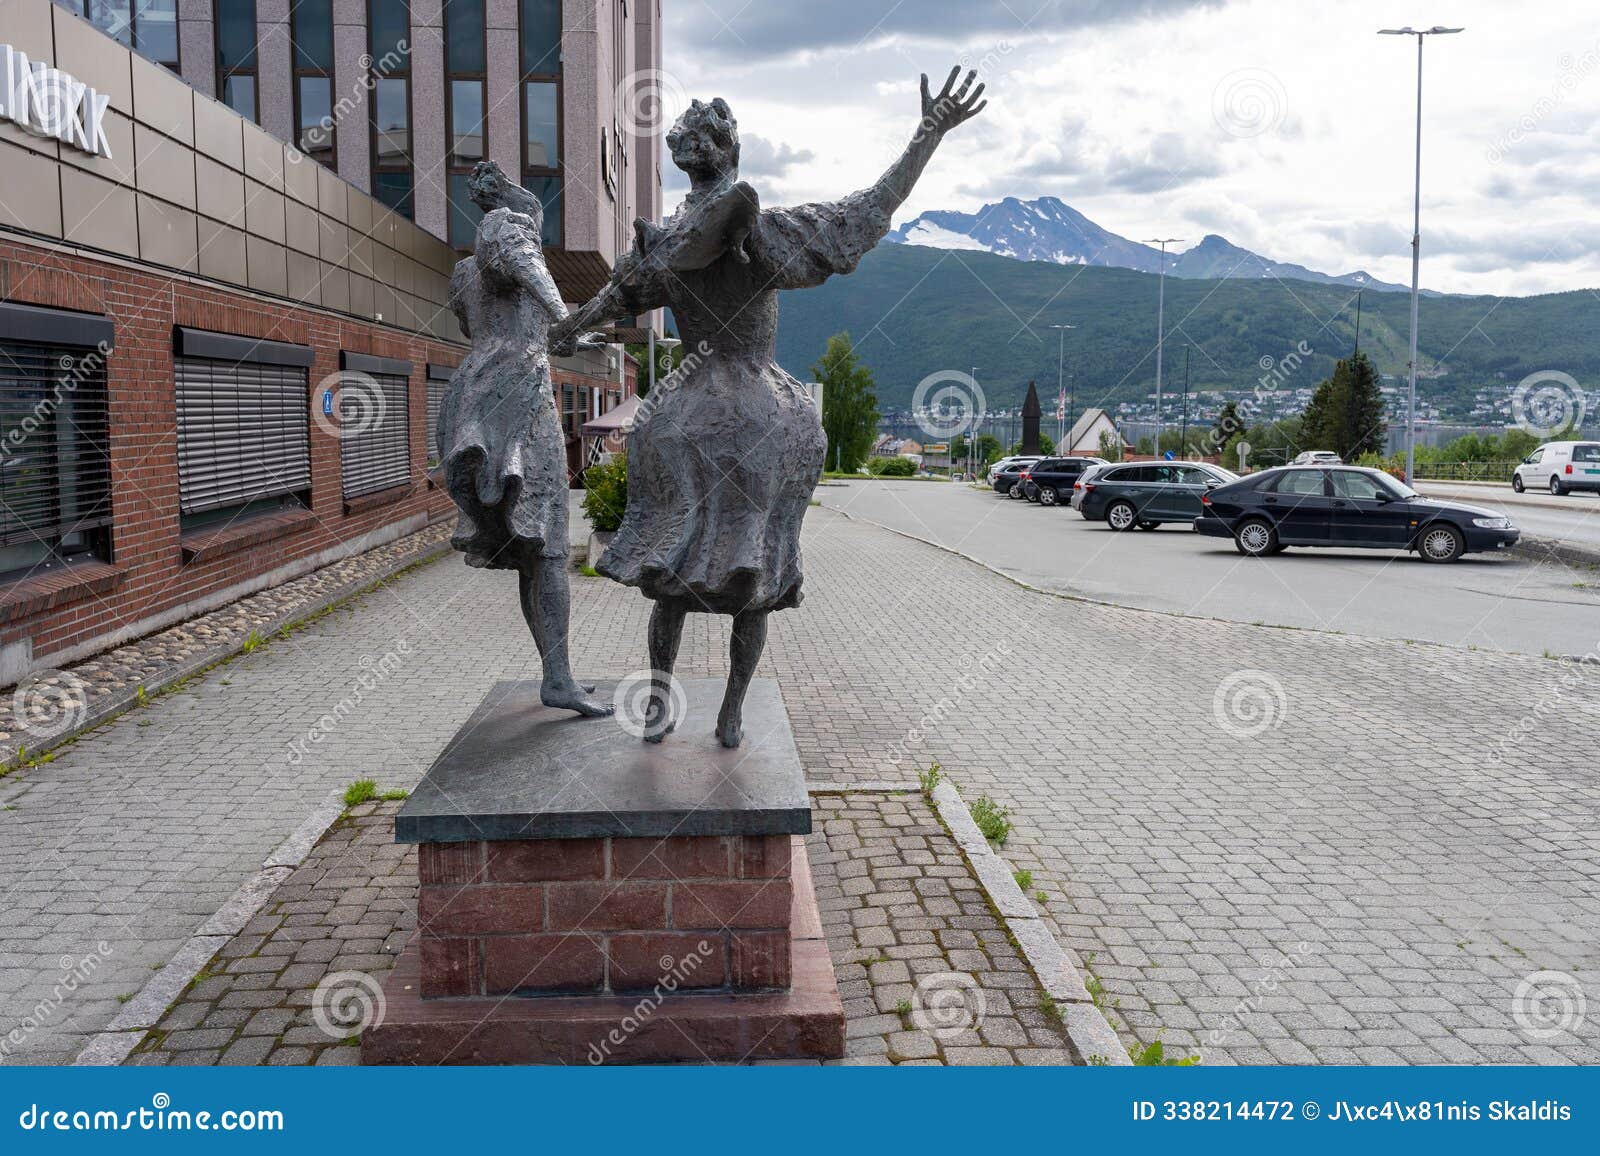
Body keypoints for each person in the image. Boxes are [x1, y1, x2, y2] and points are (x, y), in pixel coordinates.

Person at [555, 68, 986, 747]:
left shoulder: (667, 245)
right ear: (730, 153)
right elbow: (863, 217)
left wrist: (561, 327)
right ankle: (728, 712)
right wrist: (925, 137)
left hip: (684, 411)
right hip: (761, 414)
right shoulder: (759, 234)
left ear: (694, 154)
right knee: (755, 568)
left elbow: (610, 302)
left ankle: (663, 703)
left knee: (674, 571)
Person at [439, 162, 611, 717]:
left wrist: (566, 335)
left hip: (480, 389)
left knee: (533, 551)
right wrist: (566, 315)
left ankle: (555, 674)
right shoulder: (509, 227)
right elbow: (533, 286)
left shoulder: (464, 273)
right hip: (519, 399)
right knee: (551, 548)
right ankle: (558, 679)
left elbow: (494, 327)